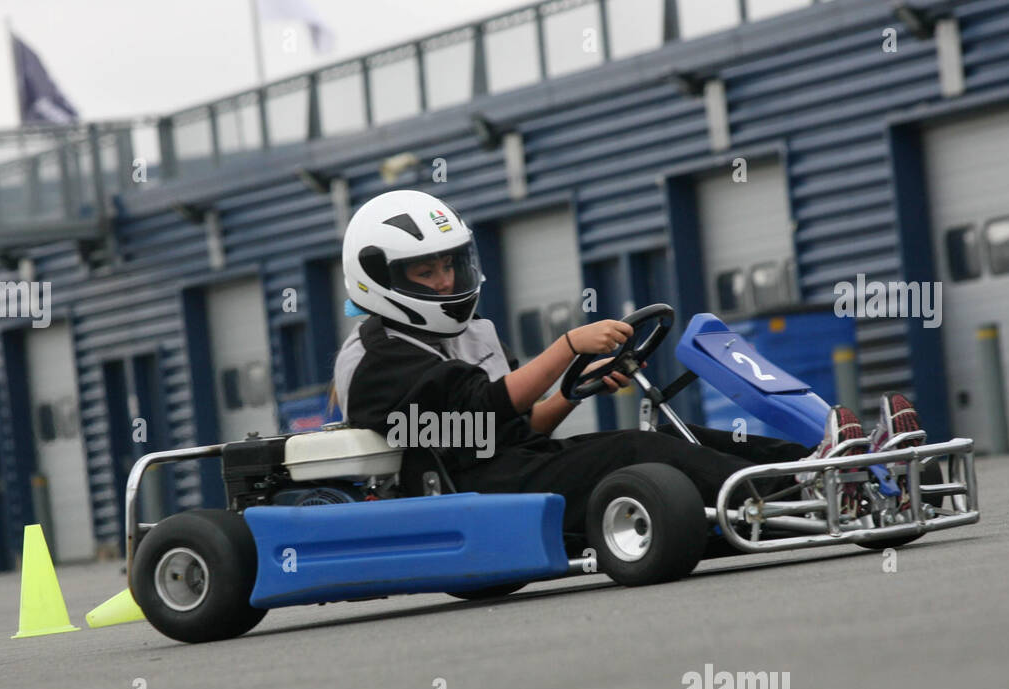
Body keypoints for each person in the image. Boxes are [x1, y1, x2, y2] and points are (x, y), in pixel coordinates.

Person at [332, 189, 921, 533]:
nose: (444, 281)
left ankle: (834, 465)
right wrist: (565, 348)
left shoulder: (472, 332)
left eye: (449, 267)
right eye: (425, 272)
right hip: (454, 492)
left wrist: (571, 389)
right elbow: (473, 421)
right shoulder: (373, 357)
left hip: (508, 467)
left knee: (693, 438)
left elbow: (515, 427)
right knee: (637, 452)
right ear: (381, 277)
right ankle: (800, 495)